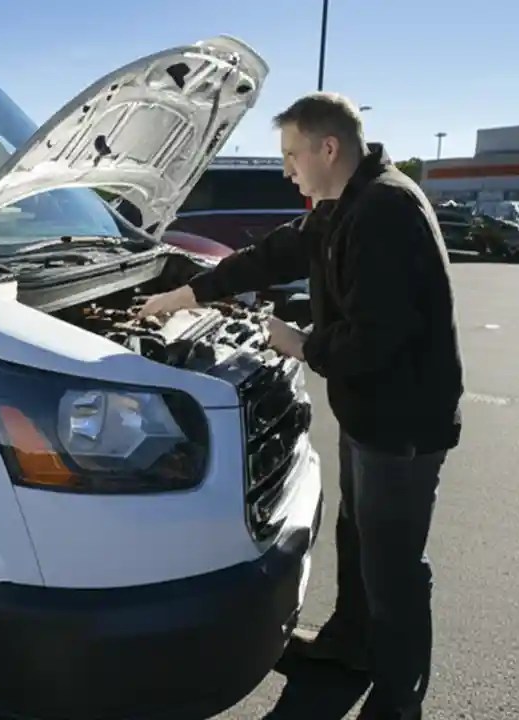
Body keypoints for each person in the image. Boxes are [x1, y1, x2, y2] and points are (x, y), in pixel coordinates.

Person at [137, 92, 464, 720]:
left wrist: (302, 344)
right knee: (357, 538)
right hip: (370, 413)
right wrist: (187, 293)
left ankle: (398, 702)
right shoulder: (345, 206)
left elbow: (377, 336)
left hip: (403, 425)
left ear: (328, 148)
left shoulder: (386, 210)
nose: (287, 168)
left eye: (291, 154)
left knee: (394, 569)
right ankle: (350, 646)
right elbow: (276, 254)